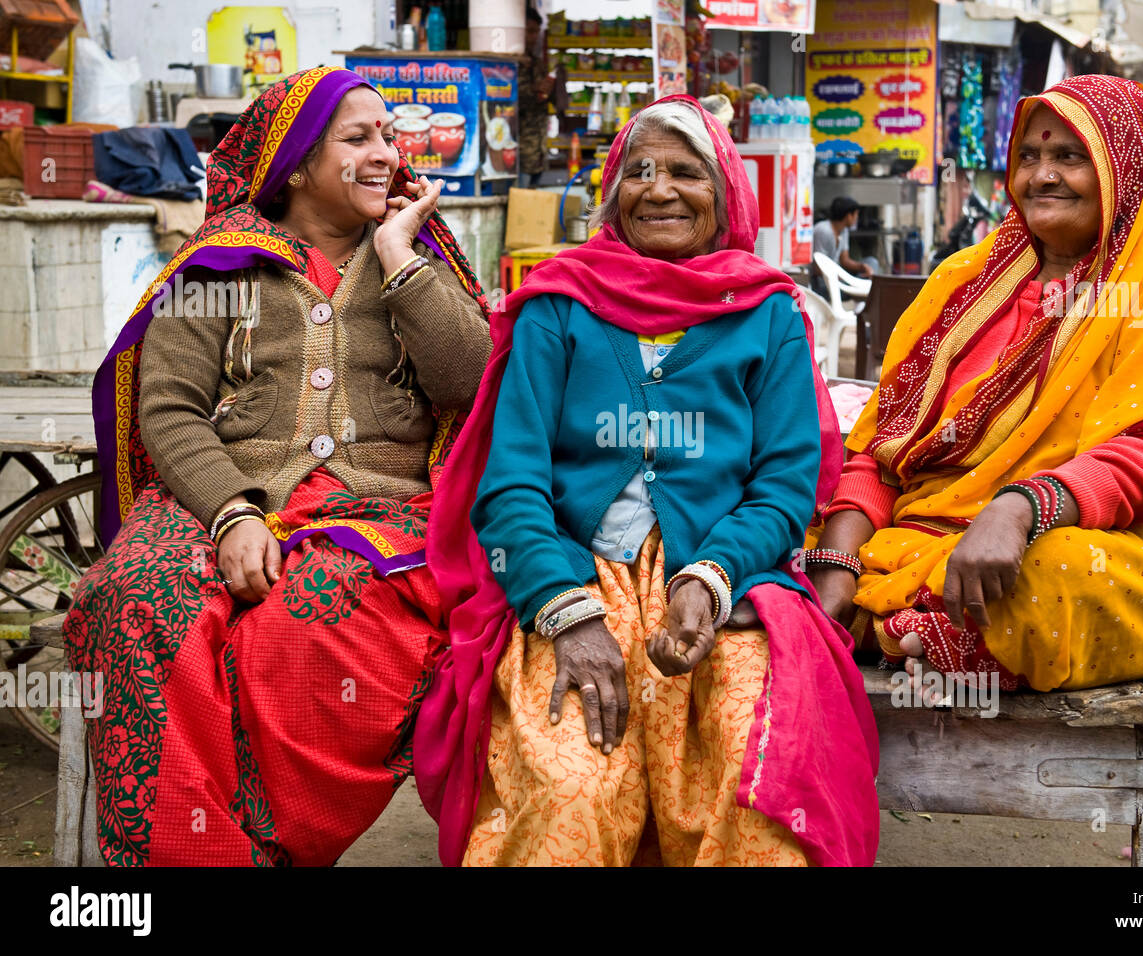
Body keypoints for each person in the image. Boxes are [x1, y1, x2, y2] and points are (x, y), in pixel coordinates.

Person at [412, 95, 880, 866]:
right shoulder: (557, 306)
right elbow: (511, 483)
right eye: (640, 172)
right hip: (573, 575)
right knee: (568, 790)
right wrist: (566, 612)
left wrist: (710, 576)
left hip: (722, 577)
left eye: (686, 172)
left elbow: (786, 483)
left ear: (725, 194)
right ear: (612, 194)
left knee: (749, 779)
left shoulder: (766, 311)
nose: (660, 189)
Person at [63, 67, 493, 865]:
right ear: (296, 163)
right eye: (358, 138)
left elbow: (474, 382)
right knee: (135, 599)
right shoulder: (218, 267)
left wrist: (401, 260)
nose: (385, 154)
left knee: (313, 625)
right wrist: (231, 512)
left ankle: (262, 850)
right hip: (214, 497)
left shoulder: (422, 255)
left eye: (388, 138)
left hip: (376, 512)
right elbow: (168, 408)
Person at [809, 75, 1143, 733]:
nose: (1042, 175)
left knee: (1060, 575)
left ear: (1122, 169)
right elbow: (881, 448)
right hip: (920, 538)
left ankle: (923, 629)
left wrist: (1021, 508)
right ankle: (897, 618)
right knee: (779, 543)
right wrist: (840, 563)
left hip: (1083, 542)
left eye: (1070, 157)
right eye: (1029, 157)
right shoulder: (963, 282)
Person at [518, 5, 558, 186]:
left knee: (534, 192)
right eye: (529, 31)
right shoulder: (511, 63)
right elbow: (509, 99)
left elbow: (549, 100)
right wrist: (534, 89)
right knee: (520, 194)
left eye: (536, 32)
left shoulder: (538, 63)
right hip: (519, 146)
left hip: (539, 145)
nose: (533, 37)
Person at [812, 196, 877, 298]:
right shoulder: (824, 230)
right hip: (825, 284)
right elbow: (817, 269)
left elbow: (845, 261)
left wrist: (862, 267)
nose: (856, 218)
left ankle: (863, 296)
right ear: (848, 216)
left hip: (839, 278)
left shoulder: (844, 230)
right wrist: (844, 279)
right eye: (856, 215)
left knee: (872, 262)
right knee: (865, 287)